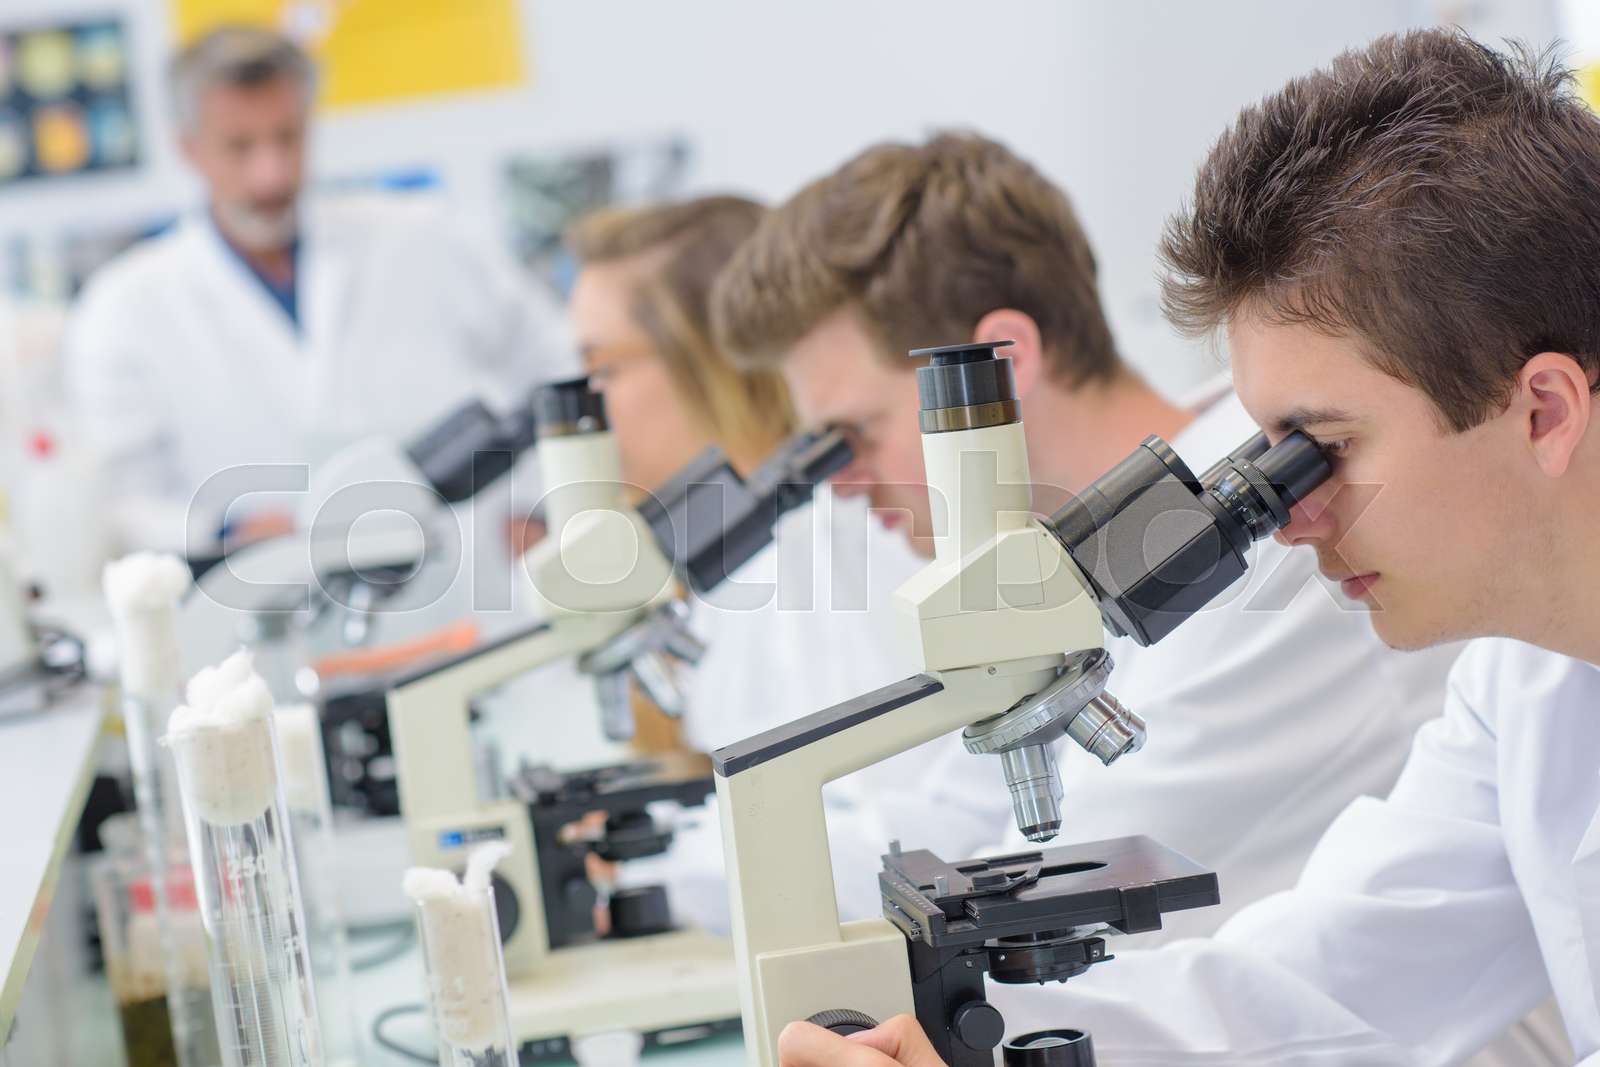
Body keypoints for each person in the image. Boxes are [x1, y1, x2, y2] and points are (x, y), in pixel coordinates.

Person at [775, 29, 1600, 1067]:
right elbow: (1319, 981)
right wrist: (946, 1048)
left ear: (1541, 410)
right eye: (1275, 456)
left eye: (1325, 449)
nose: (1292, 517)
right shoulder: (1521, 683)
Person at [710, 131, 1461, 949]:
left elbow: (1095, 869)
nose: (840, 485)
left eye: (852, 434)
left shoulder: (1283, 538)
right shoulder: (1074, 557)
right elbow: (949, 816)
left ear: (999, 362)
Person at [64, 26, 569, 556]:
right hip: (267, 600)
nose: (271, 176)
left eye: (288, 138)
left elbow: (555, 369)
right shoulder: (124, 308)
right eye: (240, 147)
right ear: (188, 148)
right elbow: (122, 503)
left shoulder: (425, 238)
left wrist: (537, 503)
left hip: (474, 572)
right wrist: (225, 532)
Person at [558, 196, 928, 918]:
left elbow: (912, 837)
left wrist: (658, 875)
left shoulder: (841, 540)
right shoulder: (725, 570)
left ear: (713, 360)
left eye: (603, 373)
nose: (590, 414)